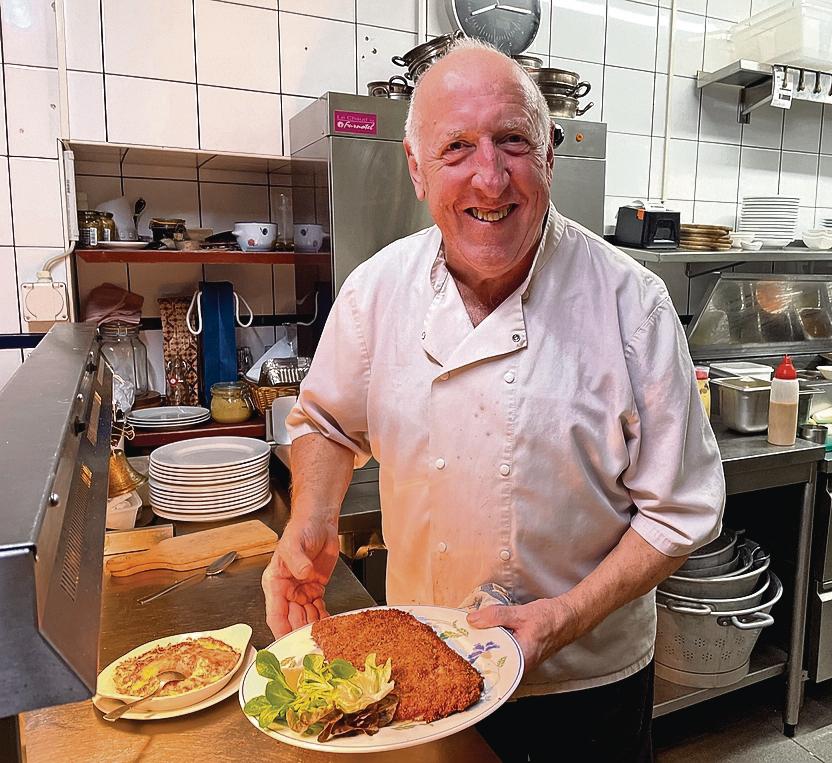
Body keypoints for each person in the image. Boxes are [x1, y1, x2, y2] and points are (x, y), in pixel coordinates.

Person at [262, 39, 725, 761]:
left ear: (550, 155)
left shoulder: (630, 303)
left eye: (513, 141)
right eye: (456, 147)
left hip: (587, 680)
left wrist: (564, 617)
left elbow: (681, 510)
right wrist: (313, 518)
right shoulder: (377, 290)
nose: (489, 177)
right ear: (416, 169)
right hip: (421, 659)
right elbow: (325, 420)